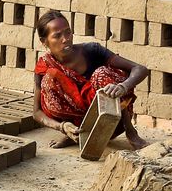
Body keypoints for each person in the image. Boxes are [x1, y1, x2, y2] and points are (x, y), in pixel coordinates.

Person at [32, 10, 149, 151]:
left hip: (111, 120)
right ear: (44, 42)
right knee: (50, 79)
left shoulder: (91, 51)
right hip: (77, 127)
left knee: (102, 73)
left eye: (68, 32)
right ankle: (75, 134)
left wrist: (123, 87)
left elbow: (140, 69)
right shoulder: (44, 66)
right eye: (57, 36)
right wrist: (62, 126)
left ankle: (131, 132)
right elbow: (37, 113)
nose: (65, 39)